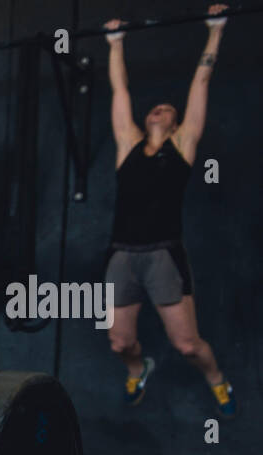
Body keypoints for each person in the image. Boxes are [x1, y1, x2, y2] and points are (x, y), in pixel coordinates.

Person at [102, 5, 236, 415]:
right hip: (122, 253)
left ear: (178, 123)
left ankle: (216, 379)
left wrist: (214, 30)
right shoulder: (127, 146)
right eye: (154, 108)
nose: (159, 109)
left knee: (187, 345)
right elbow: (119, 91)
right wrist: (115, 43)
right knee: (120, 342)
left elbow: (202, 79)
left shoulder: (183, 146)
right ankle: (139, 369)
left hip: (163, 254)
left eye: (168, 109)